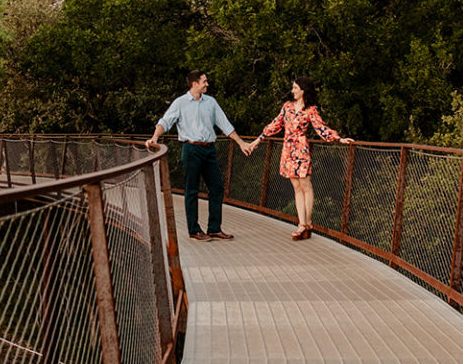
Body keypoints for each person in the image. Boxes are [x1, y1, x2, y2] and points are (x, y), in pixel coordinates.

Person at [147, 70, 251, 241]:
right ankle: (194, 230)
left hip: (209, 149)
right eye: (204, 81)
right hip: (191, 149)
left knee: (217, 187)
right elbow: (165, 121)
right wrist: (155, 137)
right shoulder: (180, 103)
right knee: (192, 190)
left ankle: (214, 229)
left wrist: (241, 143)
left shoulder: (211, 102)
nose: (207, 84)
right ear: (194, 84)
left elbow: (225, 124)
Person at [248, 77, 354, 240]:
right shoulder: (287, 107)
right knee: (296, 187)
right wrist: (257, 140)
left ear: (303, 90)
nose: (293, 91)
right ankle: (302, 224)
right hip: (288, 149)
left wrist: (339, 139)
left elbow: (321, 128)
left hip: (301, 148)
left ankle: (307, 224)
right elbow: (274, 124)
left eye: (296, 88)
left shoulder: (310, 110)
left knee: (305, 185)